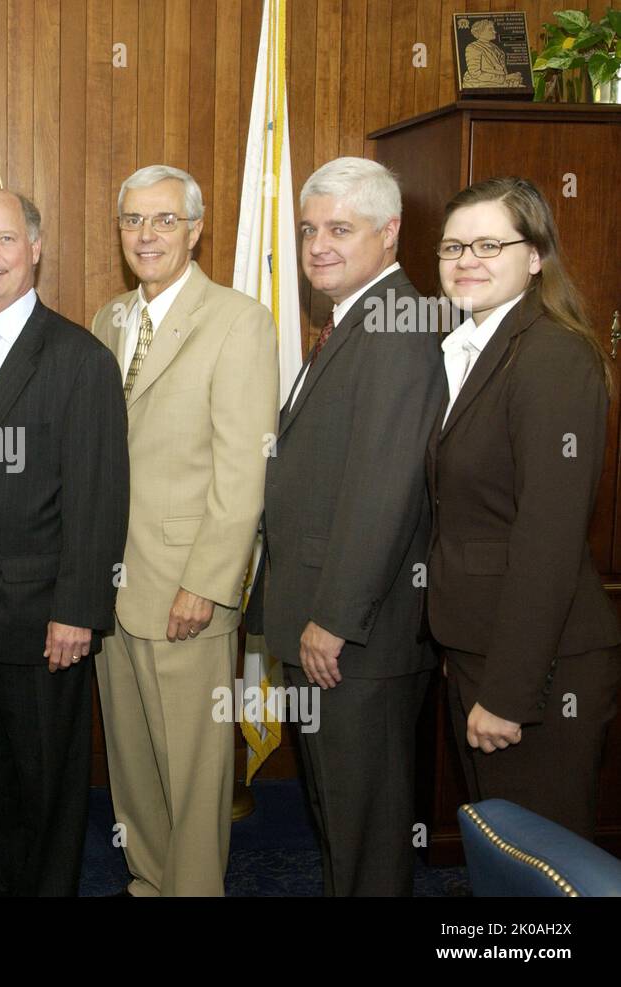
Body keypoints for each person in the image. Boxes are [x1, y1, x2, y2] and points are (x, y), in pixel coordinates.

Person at [0, 189, 129, 897]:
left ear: (35, 250)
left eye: (5, 239)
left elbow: (99, 497)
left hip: (44, 621)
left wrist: (79, 607)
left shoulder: (79, 357)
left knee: (47, 781)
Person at [255, 157, 444, 895]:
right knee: (340, 816)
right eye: (308, 229)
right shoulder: (352, 320)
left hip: (353, 639)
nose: (318, 245)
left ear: (390, 232)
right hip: (329, 628)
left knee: (365, 834)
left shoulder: (397, 324)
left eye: (340, 228)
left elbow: (385, 491)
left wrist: (333, 618)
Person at [91, 165, 277, 896]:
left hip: (186, 589)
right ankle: (149, 878)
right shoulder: (110, 319)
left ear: (197, 231)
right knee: (133, 757)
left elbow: (243, 472)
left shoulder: (238, 320)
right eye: (134, 219)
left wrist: (205, 582)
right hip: (113, 584)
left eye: (165, 220)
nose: (146, 234)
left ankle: (195, 887)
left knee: (196, 768)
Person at [428, 177, 620, 840]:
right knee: (503, 859)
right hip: (485, 649)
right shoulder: (474, 349)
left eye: (489, 243)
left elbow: (549, 542)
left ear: (535, 255)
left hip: (543, 674)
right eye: (453, 247)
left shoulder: (551, 355)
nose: (466, 260)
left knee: (543, 870)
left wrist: (507, 692)